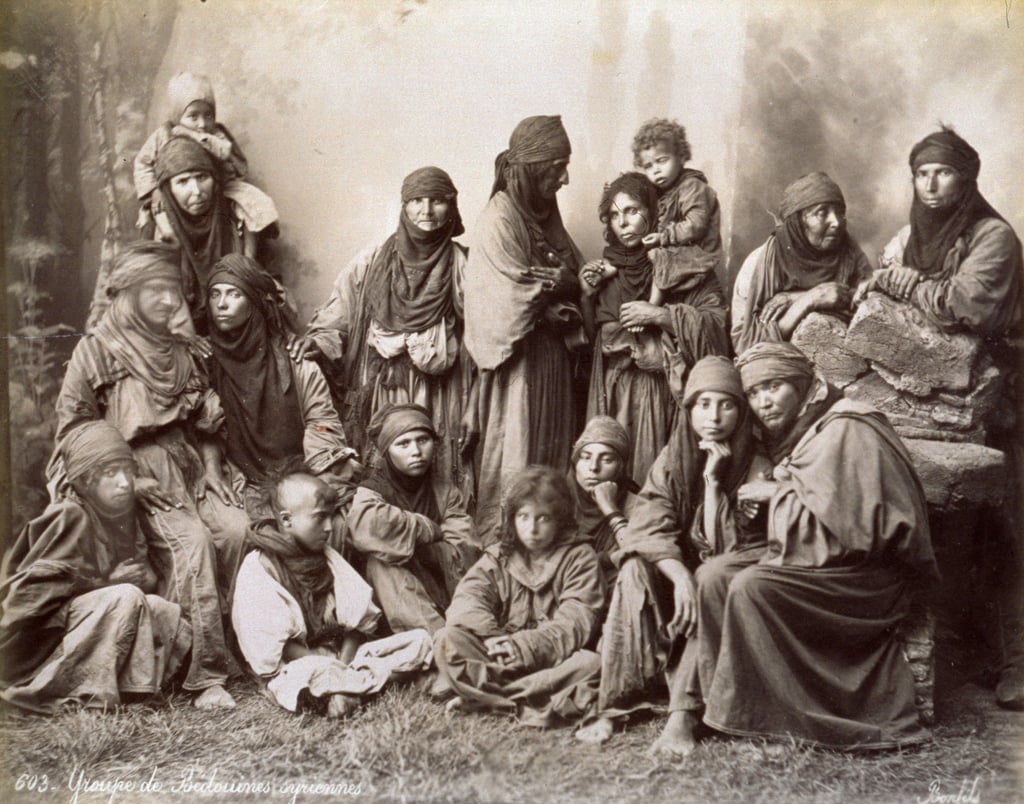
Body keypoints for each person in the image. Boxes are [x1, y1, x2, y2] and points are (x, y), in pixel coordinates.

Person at [687, 342, 938, 751]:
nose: (763, 402)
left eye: (774, 386)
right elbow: (810, 513)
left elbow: (862, 531)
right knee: (714, 575)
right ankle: (731, 715)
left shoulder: (849, 427)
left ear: (803, 386)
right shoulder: (800, 434)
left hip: (868, 577)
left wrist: (776, 494)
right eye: (753, 393)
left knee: (754, 586)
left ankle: (786, 723)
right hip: (821, 560)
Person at [859, 126, 1023, 710]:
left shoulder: (995, 237)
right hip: (930, 398)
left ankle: (1017, 664)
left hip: (1000, 397)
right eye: (921, 173)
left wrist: (908, 284)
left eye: (943, 173)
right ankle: (953, 652)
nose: (930, 185)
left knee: (1005, 528)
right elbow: (881, 288)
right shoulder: (910, 236)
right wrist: (892, 283)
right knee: (933, 522)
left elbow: (968, 306)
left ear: (966, 179)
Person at [52, 241, 249, 709]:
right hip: (128, 472)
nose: (167, 300)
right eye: (155, 290)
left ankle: (244, 651)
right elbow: (74, 429)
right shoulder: (96, 352)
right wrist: (128, 478)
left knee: (238, 529)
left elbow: (205, 421)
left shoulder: (182, 350)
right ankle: (199, 676)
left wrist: (213, 467)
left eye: (173, 290)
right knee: (192, 543)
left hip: (190, 463)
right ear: (129, 292)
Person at [575, 356, 770, 747]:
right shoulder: (673, 458)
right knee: (633, 568)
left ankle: (683, 714)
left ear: (740, 410)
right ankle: (614, 705)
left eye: (726, 404)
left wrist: (714, 485)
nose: (713, 416)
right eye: (703, 404)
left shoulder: (757, 463)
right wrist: (678, 576)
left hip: (724, 585)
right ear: (689, 409)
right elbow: (647, 526)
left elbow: (727, 552)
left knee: (709, 580)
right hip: (682, 579)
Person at [299, 167, 474, 498]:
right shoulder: (374, 259)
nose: (426, 211)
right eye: (416, 201)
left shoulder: (461, 264)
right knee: (380, 472)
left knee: (433, 468)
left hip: (439, 392)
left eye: (437, 201)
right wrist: (320, 342)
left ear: (451, 207)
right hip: (382, 388)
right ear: (403, 206)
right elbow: (340, 312)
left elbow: (481, 330)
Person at [0, 422, 191, 714]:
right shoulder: (69, 515)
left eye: (127, 470)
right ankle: (73, 694)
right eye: (110, 473)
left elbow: (141, 586)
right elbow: (27, 599)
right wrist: (105, 582)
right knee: (125, 596)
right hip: (38, 648)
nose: (125, 483)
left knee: (161, 609)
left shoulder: (122, 516)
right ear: (86, 480)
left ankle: (133, 696)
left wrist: (145, 578)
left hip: (85, 624)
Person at [463, 115, 585, 544]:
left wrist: (564, 283)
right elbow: (504, 294)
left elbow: (574, 271)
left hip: (550, 360)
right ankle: (508, 552)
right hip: (518, 366)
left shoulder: (541, 215)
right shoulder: (499, 219)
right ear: (533, 168)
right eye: (556, 167)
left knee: (550, 455)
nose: (565, 178)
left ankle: (551, 555)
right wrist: (553, 290)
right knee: (518, 453)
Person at [232, 461, 432, 717]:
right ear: (286, 520)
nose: (329, 527)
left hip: (343, 658)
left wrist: (344, 664)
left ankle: (349, 689)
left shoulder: (326, 555)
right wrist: (331, 666)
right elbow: (276, 647)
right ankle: (362, 687)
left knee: (420, 641)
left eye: (330, 516)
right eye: (319, 518)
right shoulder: (260, 567)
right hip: (299, 663)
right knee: (308, 677)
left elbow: (358, 624)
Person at [580, 172, 729, 484]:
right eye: (614, 215)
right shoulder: (605, 270)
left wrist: (660, 316)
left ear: (653, 211)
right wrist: (587, 295)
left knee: (651, 477)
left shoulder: (684, 264)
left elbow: (716, 325)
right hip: (613, 390)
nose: (623, 223)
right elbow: (590, 342)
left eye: (632, 211)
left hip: (662, 395)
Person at [433, 466, 605, 726]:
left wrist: (523, 646)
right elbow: (468, 599)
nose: (532, 529)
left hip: (554, 661)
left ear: (560, 519)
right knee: (447, 639)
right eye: (523, 517)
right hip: (500, 657)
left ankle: (485, 699)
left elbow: (576, 622)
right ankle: (527, 699)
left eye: (543, 518)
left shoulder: (580, 557)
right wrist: (495, 640)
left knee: (593, 664)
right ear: (512, 518)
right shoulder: (500, 554)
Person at [204, 254, 359, 520]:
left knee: (328, 520)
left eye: (233, 294)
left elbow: (320, 421)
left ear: (254, 302)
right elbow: (202, 429)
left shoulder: (295, 359)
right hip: (236, 476)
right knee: (237, 532)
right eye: (215, 294)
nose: (222, 304)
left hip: (299, 471)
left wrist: (308, 479)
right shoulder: (204, 359)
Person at [346, 404, 479, 635]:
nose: (416, 451)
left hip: (440, 587)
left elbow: (465, 547)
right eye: (403, 444)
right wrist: (425, 528)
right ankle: (439, 639)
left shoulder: (445, 493)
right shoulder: (372, 491)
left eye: (423, 440)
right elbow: (365, 526)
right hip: (394, 598)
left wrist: (407, 547)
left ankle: (458, 632)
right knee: (382, 564)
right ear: (387, 451)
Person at [730, 172, 872, 355]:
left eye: (839, 212)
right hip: (779, 365)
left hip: (839, 359)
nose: (836, 222)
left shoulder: (850, 255)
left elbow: (873, 305)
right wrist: (808, 301)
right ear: (797, 220)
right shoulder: (761, 264)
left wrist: (793, 297)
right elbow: (745, 345)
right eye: (822, 213)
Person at [134, 71, 278, 247]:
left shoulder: (215, 133)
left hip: (221, 186)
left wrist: (191, 134)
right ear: (177, 115)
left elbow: (223, 152)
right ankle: (168, 251)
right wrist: (154, 191)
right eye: (193, 116)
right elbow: (142, 163)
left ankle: (249, 261)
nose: (202, 124)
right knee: (160, 219)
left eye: (208, 115)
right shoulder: (163, 134)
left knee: (253, 204)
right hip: (175, 193)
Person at [630, 118, 724, 309]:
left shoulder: (692, 187)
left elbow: (696, 225)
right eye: (648, 166)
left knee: (657, 255)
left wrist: (663, 237)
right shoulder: (663, 192)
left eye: (662, 161)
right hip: (678, 249)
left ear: (681, 157)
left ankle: (652, 305)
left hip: (698, 252)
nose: (656, 170)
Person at [566, 415, 640, 590]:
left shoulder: (636, 503)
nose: (593, 467)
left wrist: (610, 508)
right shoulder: (556, 499)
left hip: (615, 594)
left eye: (606, 459)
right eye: (585, 457)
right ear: (575, 463)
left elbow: (637, 552)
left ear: (621, 467)